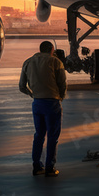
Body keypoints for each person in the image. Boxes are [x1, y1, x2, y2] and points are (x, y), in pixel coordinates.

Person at [19, 40, 68, 177]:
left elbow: (21, 86)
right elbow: (62, 84)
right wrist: (60, 97)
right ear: (52, 49)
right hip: (52, 103)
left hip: (37, 103)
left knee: (39, 135)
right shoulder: (56, 62)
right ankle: (50, 167)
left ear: (40, 49)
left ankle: (36, 166)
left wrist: (32, 94)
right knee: (52, 137)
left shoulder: (28, 62)